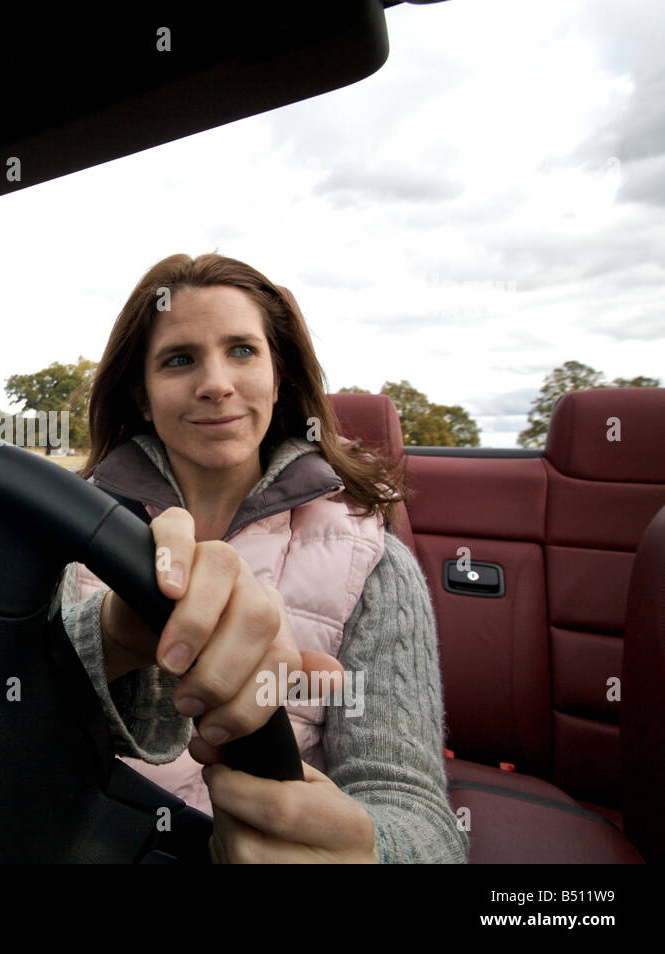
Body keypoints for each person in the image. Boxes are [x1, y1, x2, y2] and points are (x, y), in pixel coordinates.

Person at [58, 253, 468, 863]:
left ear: (279, 381)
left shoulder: (373, 557)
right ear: (143, 397)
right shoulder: (65, 533)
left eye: (243, 351)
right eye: (179, 359)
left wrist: (366, 854)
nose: (216, 382)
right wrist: (109, 639)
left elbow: (418, 815)